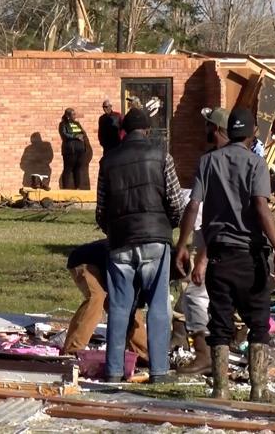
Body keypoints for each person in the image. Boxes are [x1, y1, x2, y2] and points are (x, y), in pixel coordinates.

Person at [174, 107, 275, 402]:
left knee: (220, 321)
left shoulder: (207, 163)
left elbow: (193, 206)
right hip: (250, 254)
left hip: (219, 256)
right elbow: (261, 207)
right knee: (258, 321)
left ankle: (220, 388)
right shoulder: (256, 164)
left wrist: (182, 245)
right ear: (251, 134)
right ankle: (259, 388)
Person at [96, 108, 184, 384]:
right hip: (156, 241)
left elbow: (101, 210)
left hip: (120, 242)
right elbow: (177, 203)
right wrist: (166, 227)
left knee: (120, 307)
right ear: (147, 130)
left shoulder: (108, 161)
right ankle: (159, 370)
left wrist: (114, 231)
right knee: (157, 306)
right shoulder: (162, 156)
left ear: (125, 132)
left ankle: (112, 371)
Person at [175, 107, 229, 376]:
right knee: (222, 296)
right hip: (240, 241)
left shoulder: (211, 162)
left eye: (208, 125)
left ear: (217, 129)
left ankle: (205, 355)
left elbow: (195, 206)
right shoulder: (250, 160)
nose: (205, 130)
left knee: (197, 293)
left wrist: (187, 247)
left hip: (214, 237)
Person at [62, 239, 149, 363]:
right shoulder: (138, 257)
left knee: (127, 306)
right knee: (96, 297)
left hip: (108, 269)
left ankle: (143, 353)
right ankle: (72, 350)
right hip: (84, 261)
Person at [59, 108, 87, 190]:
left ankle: (78, 188)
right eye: (73, 114)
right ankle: (65, 189)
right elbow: (64, 134)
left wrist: (82, 136)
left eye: (75, 114)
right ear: (68, 116)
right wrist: (75, 136)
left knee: (77, 169)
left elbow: (82, 132)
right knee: (68, 169)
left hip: (80, 150)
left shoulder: (77, 123)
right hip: (70, 150)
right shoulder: (63, 124)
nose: (75, 116)